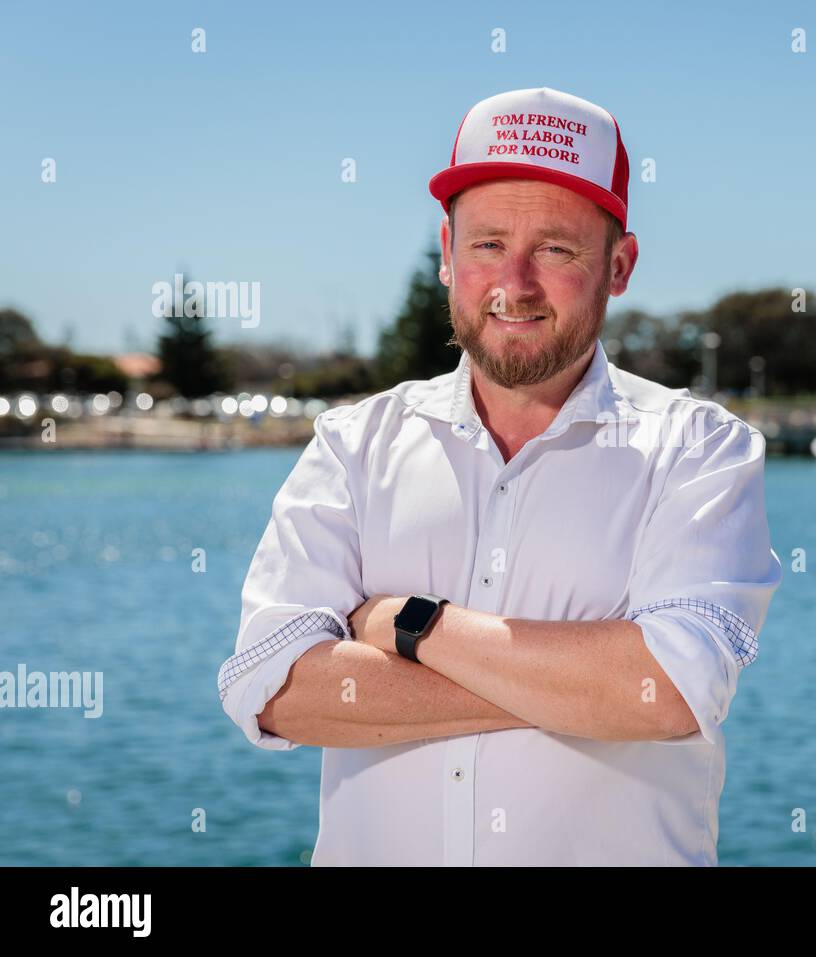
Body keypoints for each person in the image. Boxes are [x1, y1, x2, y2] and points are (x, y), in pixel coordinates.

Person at [217, 86, 782, 865]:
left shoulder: (700, 450)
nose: (513, 284)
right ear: (447, 255)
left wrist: (409, 626)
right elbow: (271, 689)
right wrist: (578, 690)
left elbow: (668, 692)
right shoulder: (352, 445)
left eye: (556, 249)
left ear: (620, 266)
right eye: (486, 245)